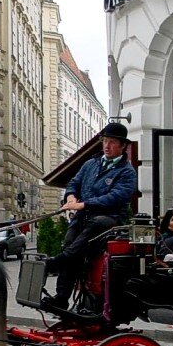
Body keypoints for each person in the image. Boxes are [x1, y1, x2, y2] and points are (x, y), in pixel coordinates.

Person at [44, 121, 136, 310]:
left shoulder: (127, 172)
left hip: (110, 219)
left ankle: (58, 262)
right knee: (70, 243)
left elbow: (115, 197)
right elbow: (74, 183)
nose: (107, 146)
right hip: (83, 216)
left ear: (122, 146)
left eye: (112, 142)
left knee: (95, 225)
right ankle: (61, 298)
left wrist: (84, 204)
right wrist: (70, 197)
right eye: (105, 141)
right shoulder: (90, 164)